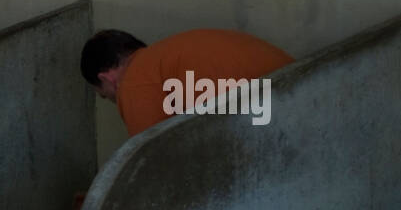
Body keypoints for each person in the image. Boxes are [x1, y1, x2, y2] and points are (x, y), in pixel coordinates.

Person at [80, 28, 294, 137]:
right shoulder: (168, 55)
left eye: (105, 95)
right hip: (302, 93)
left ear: (106, 78)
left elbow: (152, 165)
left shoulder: (134, 80)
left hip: (274, 123)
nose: (116, 100)